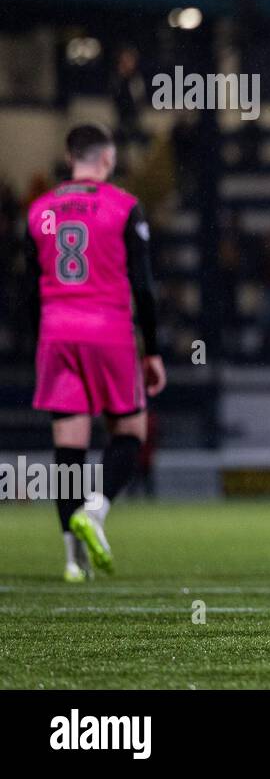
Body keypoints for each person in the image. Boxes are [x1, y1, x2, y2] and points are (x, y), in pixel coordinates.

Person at [25, 124, 166, 580]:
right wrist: (154, 350)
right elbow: (144, 287)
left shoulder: (40, 211)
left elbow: (25, 290)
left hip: (56, 331)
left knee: (68, 448)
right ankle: (96, 509)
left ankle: (71, 559)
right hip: (107, 328)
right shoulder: (123, 207)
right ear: (107, 159)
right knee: (130, 431)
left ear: (70, 157)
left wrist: (39, 340)